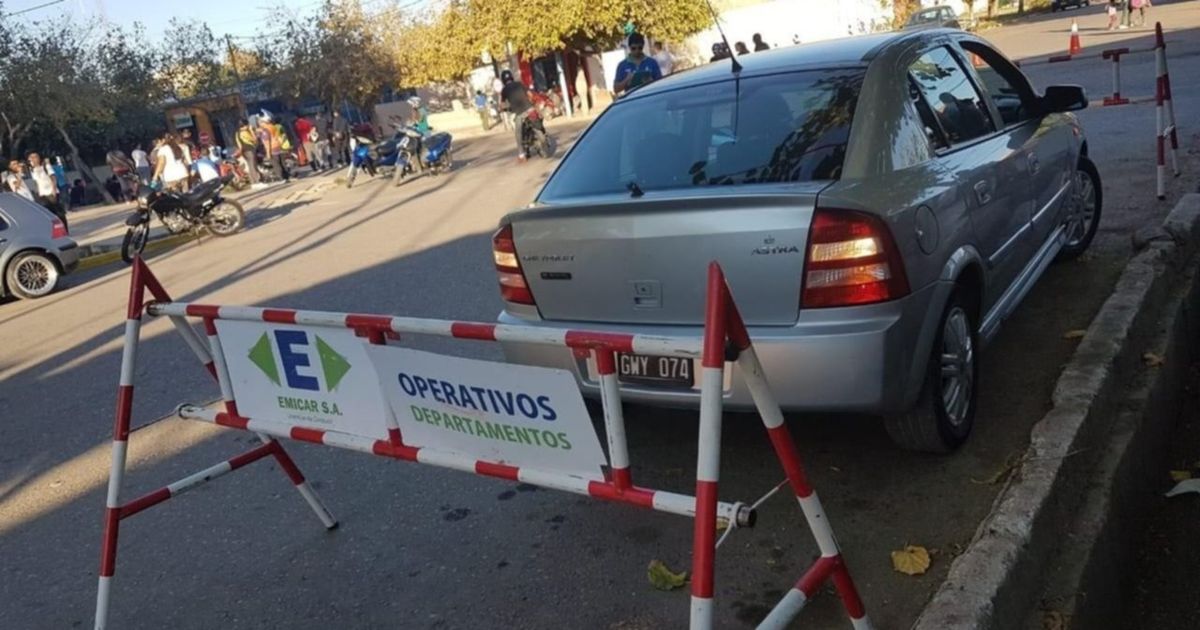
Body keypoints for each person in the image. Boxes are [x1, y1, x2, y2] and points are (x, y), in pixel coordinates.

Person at [499, 70, 534, 161]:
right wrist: (531, 101)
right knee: (537, 119)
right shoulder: (519, 84)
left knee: (518, 133)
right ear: (511, 77)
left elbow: (502, 104)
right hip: (530, 108)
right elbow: (530, 94)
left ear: (503, 80)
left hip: (519, 113)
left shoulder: (504, 90)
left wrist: (503, 108)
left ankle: (521, 155)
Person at [27, 152, 67, 227]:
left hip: (51, 192)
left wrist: (54, 191)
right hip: (43, 194)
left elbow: (53, 178)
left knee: (58, 212)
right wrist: (38, 193)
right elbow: (37, 182)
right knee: (49, 214)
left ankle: (64, 228)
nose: (33, 159)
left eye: (35, 157)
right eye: (31, 157)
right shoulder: (33, 170)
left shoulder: (46, 166)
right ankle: (57, 229)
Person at [258, 113, 291, 184]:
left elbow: (267, 143)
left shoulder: (265, 131)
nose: (260, 124)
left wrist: (268, 153)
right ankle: (287, 177)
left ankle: (282, 178)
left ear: (263, 122)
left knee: (276, 164)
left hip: (272, 148)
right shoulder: (273, 127)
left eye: (260, 122)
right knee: (282, 163)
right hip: (279, 146)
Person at [235, 119, 262, 187]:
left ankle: (253, 181)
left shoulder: (237, 133)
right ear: (245, 125)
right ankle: (256, 181)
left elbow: (239, 144)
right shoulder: (244, 132)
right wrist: (252, 131)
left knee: (250, 166)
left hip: (244, 151)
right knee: (253, 165)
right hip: (249, 149)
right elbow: (254, 139)